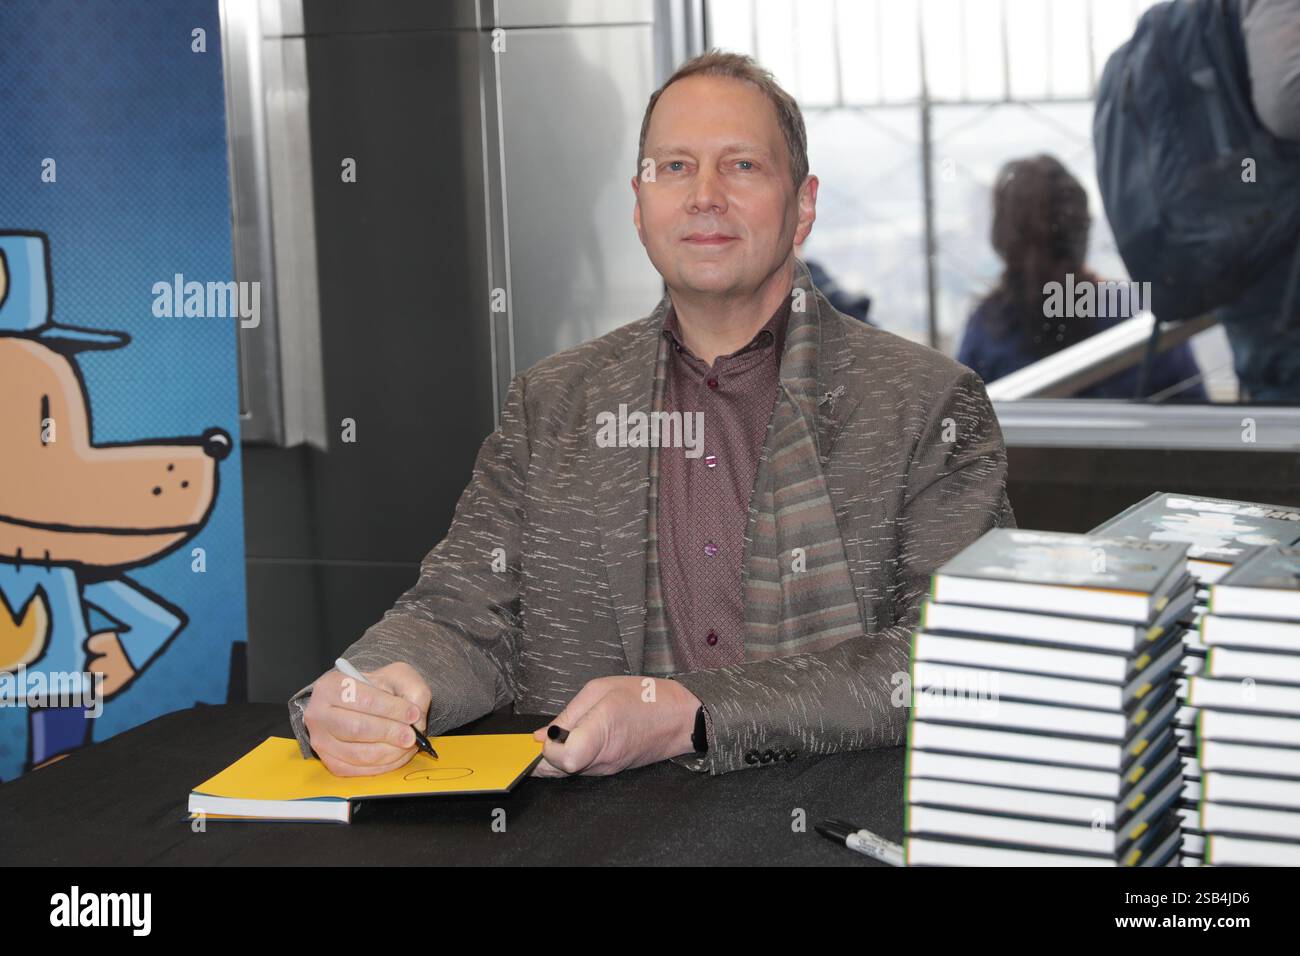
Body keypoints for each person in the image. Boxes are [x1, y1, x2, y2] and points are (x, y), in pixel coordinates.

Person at [288, 50, 1016, 778]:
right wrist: (379, 683)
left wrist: (693, 714)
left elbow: (955, 656)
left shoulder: (926, 404)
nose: (704, 195)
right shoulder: (553, 404)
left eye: (741, 166)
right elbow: (461, 613)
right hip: (593, 839)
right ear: (639, 207)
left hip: (834, 826)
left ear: (804, 206)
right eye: (673, 167)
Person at [958, 155, 1208, 402]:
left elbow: (960, 428)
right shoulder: (1136, 314)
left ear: (1003, 239)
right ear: (1082, 230)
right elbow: (1194, 414)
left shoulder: (986, 327)